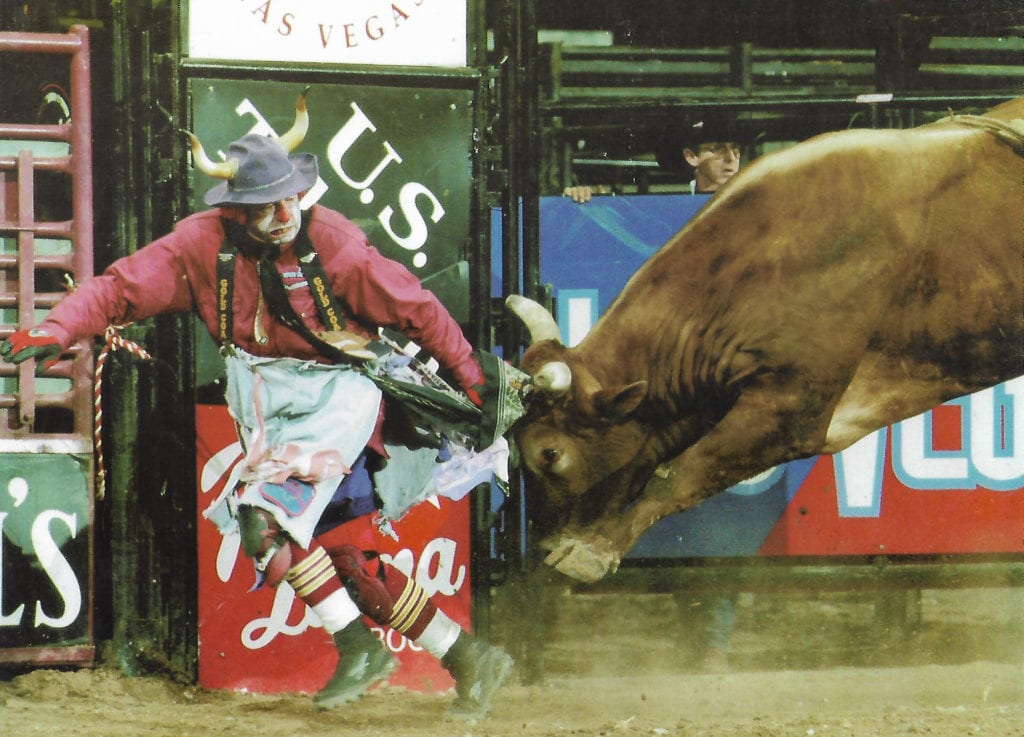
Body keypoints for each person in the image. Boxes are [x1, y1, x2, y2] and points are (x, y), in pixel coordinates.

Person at [0, 93, 513, 719]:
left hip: (337, 401)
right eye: (265, 204)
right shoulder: (197, 247)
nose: (282, 214)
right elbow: (118, 290)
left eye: (289, 197)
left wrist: (471, 385)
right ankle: (468, 656)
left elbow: (420, 310)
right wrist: (57, 327)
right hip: (267, 409)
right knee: (339, 560)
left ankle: (357, 648)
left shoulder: (337, 247)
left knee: (263, 522)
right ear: (236, 211)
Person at [562, 117, 742, 202]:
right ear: (691, 157)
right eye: (718, 150)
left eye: (736, 150)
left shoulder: (759, 202)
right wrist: (582, 199)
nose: (731, 158)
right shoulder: (669, 207)